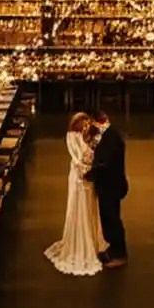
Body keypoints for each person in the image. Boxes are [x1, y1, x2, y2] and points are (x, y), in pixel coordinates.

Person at [43, 112, 107, 276]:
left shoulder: (87, 135)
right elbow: (79, 157)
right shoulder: (72, 136)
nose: (85, 125)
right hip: (79, 177)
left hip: (88, 176)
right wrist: (88, 161)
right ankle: (82, 242)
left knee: (90, 208)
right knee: (79, 208)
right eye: (83, 122)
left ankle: (93, 240)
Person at [84, 110, 129, 268]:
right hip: (110, 184)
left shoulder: (111, 137)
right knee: (108, 218)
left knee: (112, 219)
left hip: (111, 185)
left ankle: (120, 254)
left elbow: (106, 163)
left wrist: (90, 172)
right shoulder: (110, 135)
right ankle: (113, 248)